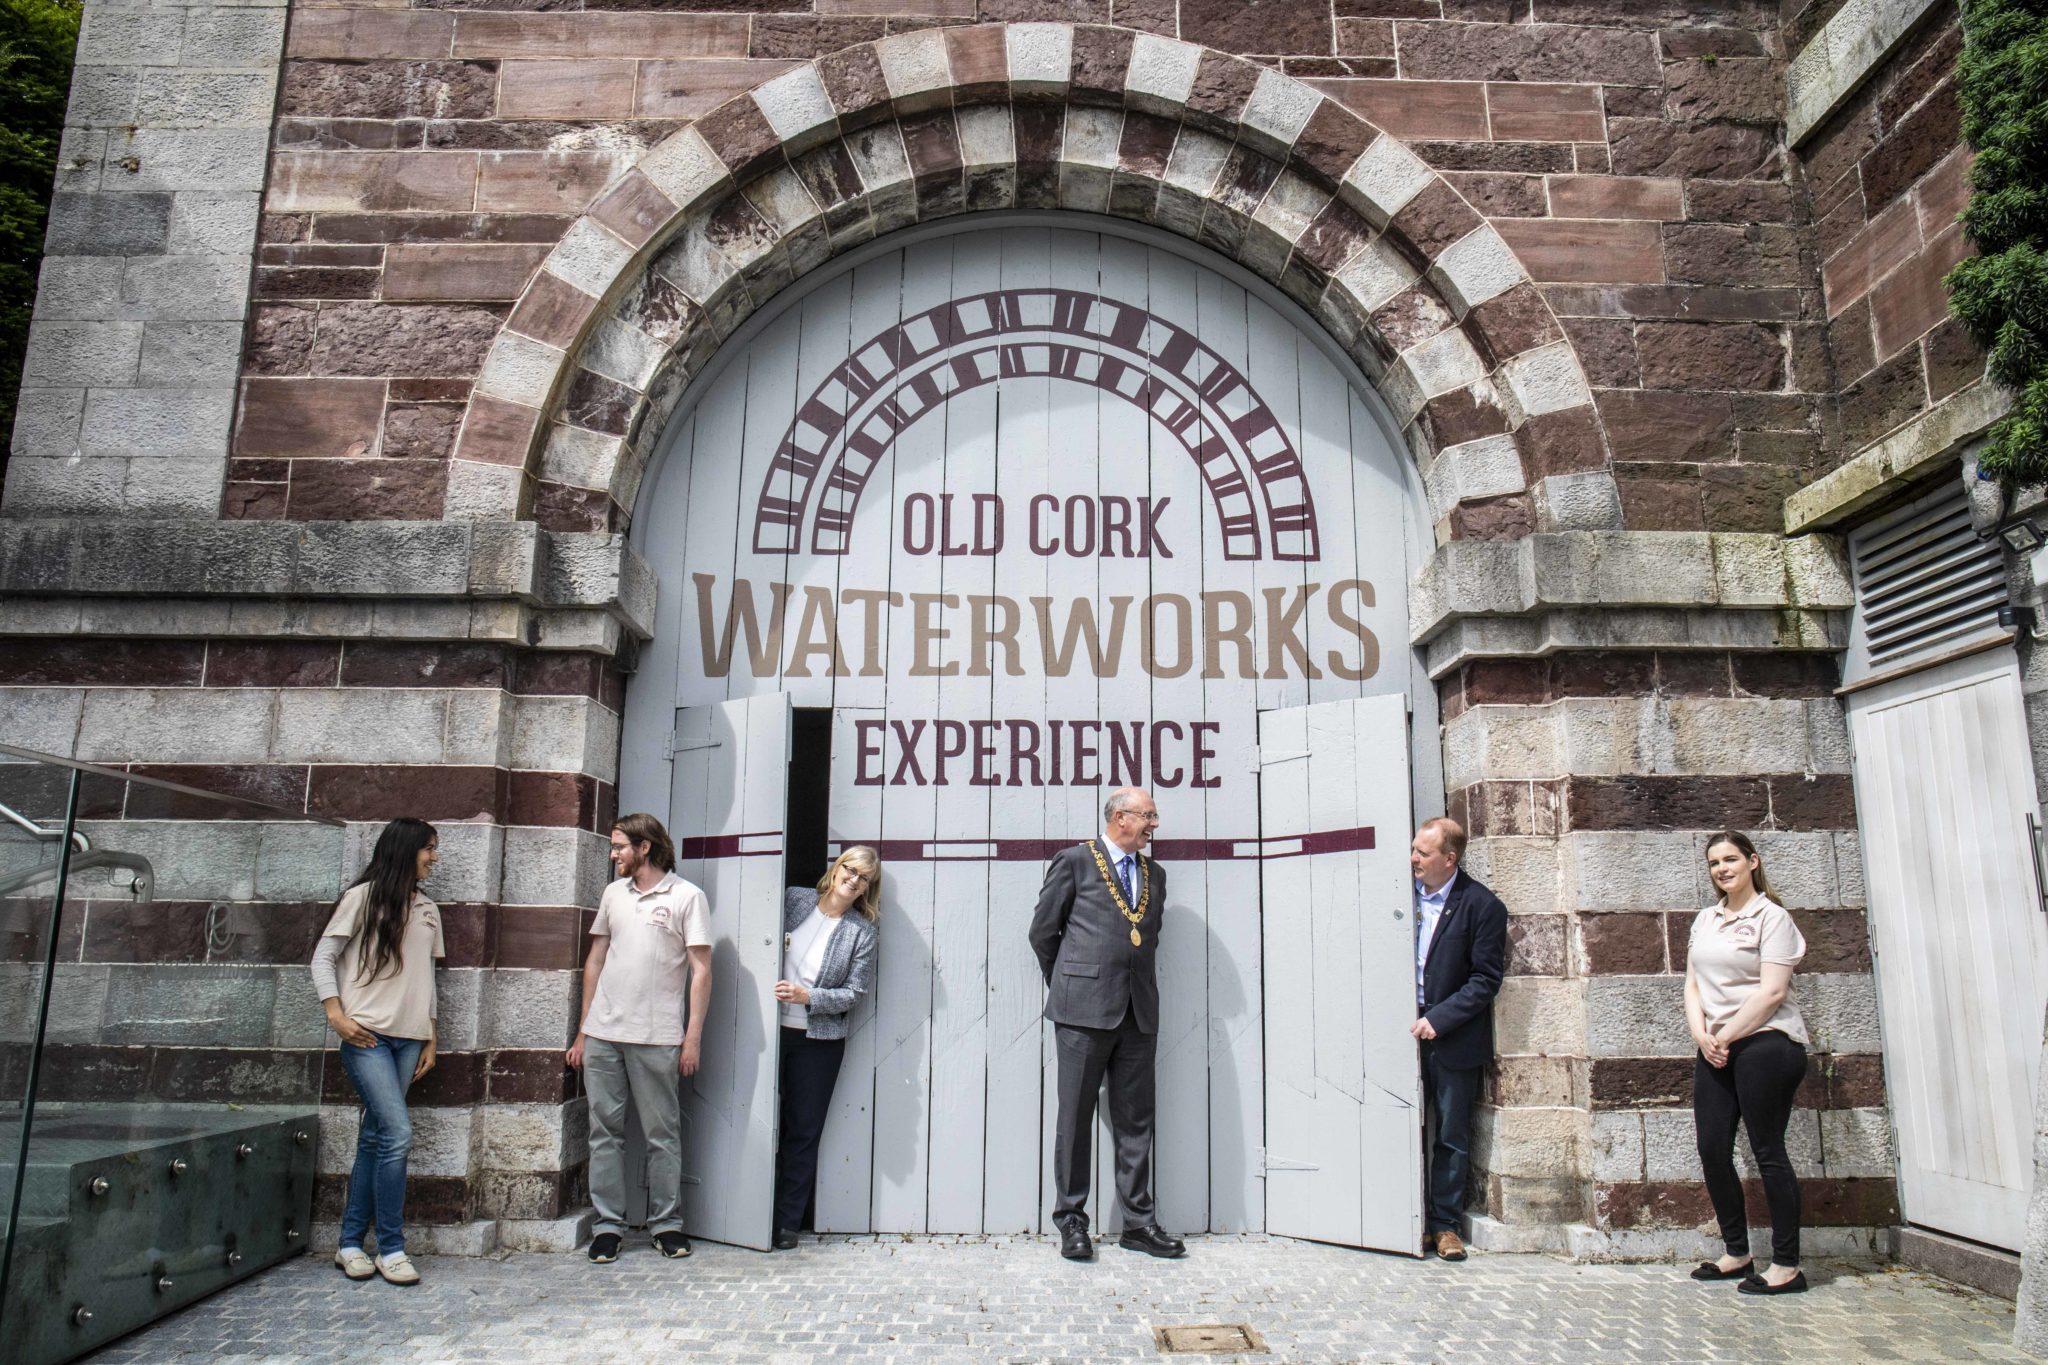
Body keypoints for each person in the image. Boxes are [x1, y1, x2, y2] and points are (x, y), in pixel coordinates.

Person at [1029, 786, 1184, 1262]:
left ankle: (1138, 1223)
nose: (1154, 825)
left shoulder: (1154, 873)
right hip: (1081, 1012)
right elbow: (1042, 932)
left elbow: (1148, 938)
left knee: (1137, 1120)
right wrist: (1073, 982)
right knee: (1074, 1117)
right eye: (1148, 816)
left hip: (1138, 1013)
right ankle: (1072, 1221)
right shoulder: (1075, 861)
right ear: (1121, 817)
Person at [566, 813, 712, 1264]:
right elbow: (595, 960)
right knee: (603, 1134)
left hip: (657, 1036)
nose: (613, 856)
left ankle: (666, 1224)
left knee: (661, 1136)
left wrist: (692, 1039)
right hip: (604, 1034)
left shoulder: (687, 896)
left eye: (619, 848)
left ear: (644, 847)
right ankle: (608, 1226)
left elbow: (702, 970)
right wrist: (582, 1031)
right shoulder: (614, 894)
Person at [312, 817, 444, 1288]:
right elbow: (322, 957)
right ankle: (391, 1247)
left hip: (409, 1039)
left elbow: (426, 978)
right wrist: (336, 1014)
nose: (434, 856)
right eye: (428, 848)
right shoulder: (362, 898)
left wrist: (431, 1034)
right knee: (398, 1133)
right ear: (405, 849)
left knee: (375, 1138)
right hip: (366, 1037)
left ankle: (349, 1244)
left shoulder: (428, 908)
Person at [1686, 829, 1810, 1295]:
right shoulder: (1705, 919)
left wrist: (1726, 1035)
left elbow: (1772, 991)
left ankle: (1787, 1266)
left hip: (1766, 1044)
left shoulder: (1772, 918)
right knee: (1712, 1148)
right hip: (1715, 1045)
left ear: (1752, 862)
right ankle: (1737, 1252)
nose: (1722, 869)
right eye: (1715, 862)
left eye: (1731, 859)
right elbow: (1693, 985)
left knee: (1767, 1151)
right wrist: (1703, 1035)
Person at [770, 846, 882, 1250]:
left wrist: (808, 997)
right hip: (769, 1032)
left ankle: (787, 1222)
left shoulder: (861, 931)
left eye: (863, 877)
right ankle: (749, 1215)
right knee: (763, 1122)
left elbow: (855, 992)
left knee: (803, 1131)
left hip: (817, 1042)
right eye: (849, 870)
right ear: (836, 869)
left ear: (868, 887)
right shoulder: (793, 899)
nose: (853, 879)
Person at [1408, 815, 1507, 1263]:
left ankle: (1444, 1225)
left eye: (1422, 853)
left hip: (1450, 1036)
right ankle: (1399, 1218)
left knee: (1450, 1132)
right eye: (1413, 849)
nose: (1413, 858)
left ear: (1449, 859)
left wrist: (1440, 1019)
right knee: (1398, 1125)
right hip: (1402, 1029)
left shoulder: (1482, 906)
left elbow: (1485, 979)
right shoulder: (1398, 896)